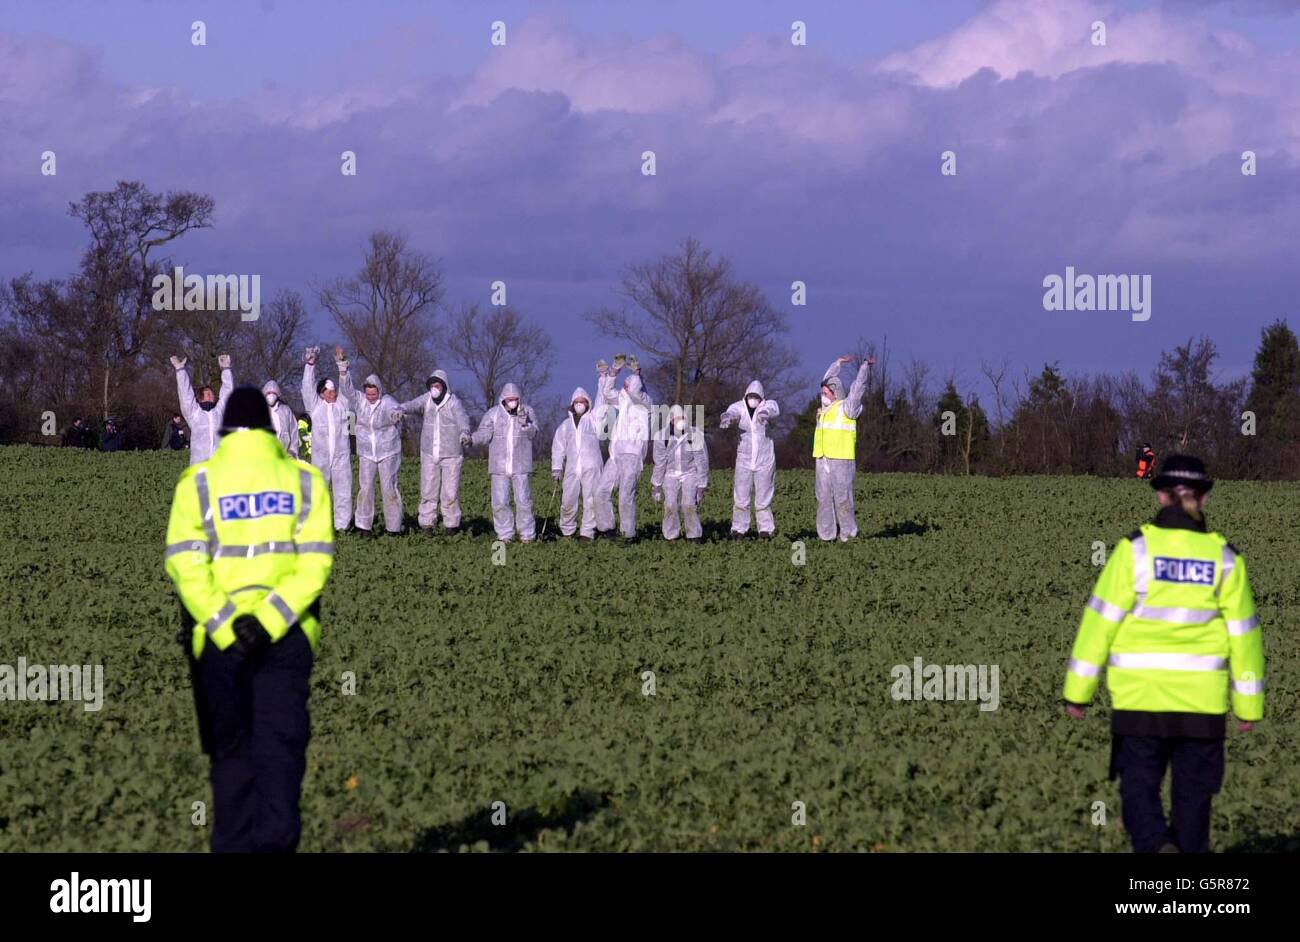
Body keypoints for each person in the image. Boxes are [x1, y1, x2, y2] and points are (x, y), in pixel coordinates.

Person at [1063, 454, 1264, 854]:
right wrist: (1248, 707)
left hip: (1141, 701)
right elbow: (1245, 638)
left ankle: (1155, 846)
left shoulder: (1133, 551)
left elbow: (1099, 624)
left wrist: (1078, 693)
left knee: (1139, 791)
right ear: (1204, 498)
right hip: (1201, 707)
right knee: (1194, 802)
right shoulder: (1225, 559)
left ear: (1159, 495)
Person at [164, 386, 335, 853]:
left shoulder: (196, 484)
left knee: (231, 761)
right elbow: (314, 562)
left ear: (222, 431)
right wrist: (270, 621)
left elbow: (185, 563)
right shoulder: (306, 482)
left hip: (218, 646)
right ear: (270, 428)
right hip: (287, 640)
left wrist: (224, 623)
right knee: (279, 759)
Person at [396, 370, 470, 534]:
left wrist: (465, 432)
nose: (434, 388)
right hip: (429, 452)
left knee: (450, 492)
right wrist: (401, 408)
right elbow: (413, 404)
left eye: (437, 385)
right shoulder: (426, 400)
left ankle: (451, 526)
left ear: (444, 386)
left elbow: (462, 418)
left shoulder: (453, 403)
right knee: (428, 489)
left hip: (451, 454)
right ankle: (427, 524)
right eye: (431, 385)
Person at [337, 353, 404, 536]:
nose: (371, 397)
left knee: (389, 488)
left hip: (388, 452)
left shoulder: (387, 402)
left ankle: (394, 528)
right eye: (368, 393)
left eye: (374, 394)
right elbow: (347, 389)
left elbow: (394, 409)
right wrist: (343, 368)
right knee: (365, 489)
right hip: (366, 452)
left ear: (379, 391)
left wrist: (395, 415)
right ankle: (363, 526)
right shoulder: (360, 401)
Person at [813, 353, 873, 542]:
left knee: (842, 498)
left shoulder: (847, 408)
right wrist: (837, 364)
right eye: (822, 393)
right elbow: (827, 379)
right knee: (823, 498)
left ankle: (848, 533)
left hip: (842, 459)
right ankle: (826, 535)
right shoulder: (824, 411)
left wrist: (864, 368)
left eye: (826, 393)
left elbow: (857, 389)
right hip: (822, 459)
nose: (823, 396)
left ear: (835, 392)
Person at [472, 382, 537, 543]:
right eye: (509, 399)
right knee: (500, 502)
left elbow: (534, 433)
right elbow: (484, 433)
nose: (512, 402)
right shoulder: (493, 414)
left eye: (515, 399)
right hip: (499, 466)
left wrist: (525, 424)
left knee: (524, 501)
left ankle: (526, 535)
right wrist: (471, 439)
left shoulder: (527, 411)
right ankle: (505, 535)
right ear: (503, 399)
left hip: (521, 466)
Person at [596, 355, 652, 541]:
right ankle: (606, 529)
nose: (625, 388)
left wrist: (636, 374)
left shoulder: (645, 401)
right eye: (625, 384)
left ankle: (628, 535)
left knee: (625, 495)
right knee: (602, 491)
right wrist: (614, 371)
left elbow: (636, 393)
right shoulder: (623, 399)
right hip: (615, 454)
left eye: (628, 385)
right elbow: (607, 392)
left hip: (633, 455)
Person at [301, 346, 353, 532]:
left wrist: (342, 366)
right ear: (322, 392)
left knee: (343, 492)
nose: (333, 393)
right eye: (329, 391)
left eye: (333, 390)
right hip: (320, 459)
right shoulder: (315, 407)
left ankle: (342, 527)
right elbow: (307, 388)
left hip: (341, 458)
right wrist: (310, 364)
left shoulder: (342, 404)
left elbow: (347, 389)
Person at [719, 381, 780, 538]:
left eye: (756, 397)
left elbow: (774, 409)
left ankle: (766, 529)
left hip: (765, 460)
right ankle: (739, 529)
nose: (753, 399)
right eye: (751, 396)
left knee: (763, 496)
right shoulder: (739, 406)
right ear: (746, 396)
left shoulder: (767, 404)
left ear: (761, 398)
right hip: (744, 460)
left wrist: (765, 413)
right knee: (741, 496)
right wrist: (728, 417)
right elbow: (733, 412)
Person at [550, 386, 606, 539]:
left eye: (582, 401)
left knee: (591, 500)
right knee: (568, 499)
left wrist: (603, 380)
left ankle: (587, 532)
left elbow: (602, 403)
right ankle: (567, 530)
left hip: (592, 466)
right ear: (572, 404)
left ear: (588, 403)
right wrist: (556, 468)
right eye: (576, 402)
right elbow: (558, 447)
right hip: (572, 468)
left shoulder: (594, 420)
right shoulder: (565, 426)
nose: (580, 404)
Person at [651, 404, 709, 541]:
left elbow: (701, 460)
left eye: (682, 418)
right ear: (671, 420)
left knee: (689, 504)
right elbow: (659, 462)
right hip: (670, 474)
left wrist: (702, 485)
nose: (680, 421)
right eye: (677, 419)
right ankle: (671, 535)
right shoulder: (661, 437)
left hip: (690, 473)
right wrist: (656, 486)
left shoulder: (694, 434)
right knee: (670, 504)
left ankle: (694, 535)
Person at [172, 354, 234, 465]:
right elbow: (186, 395)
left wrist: (226, 370)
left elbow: (227, 394)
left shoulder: (219, 413)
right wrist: (180, 371)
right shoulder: (194, 414)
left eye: (211, 393)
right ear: (200, 398)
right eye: (206, 394)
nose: (210, 395)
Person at [262, 381, 300, 458]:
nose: (271, 395)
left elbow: (293, 433)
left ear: (278, 394)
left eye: (274, 393)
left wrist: (292, 453)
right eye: (268, 393)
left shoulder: (286, 411)